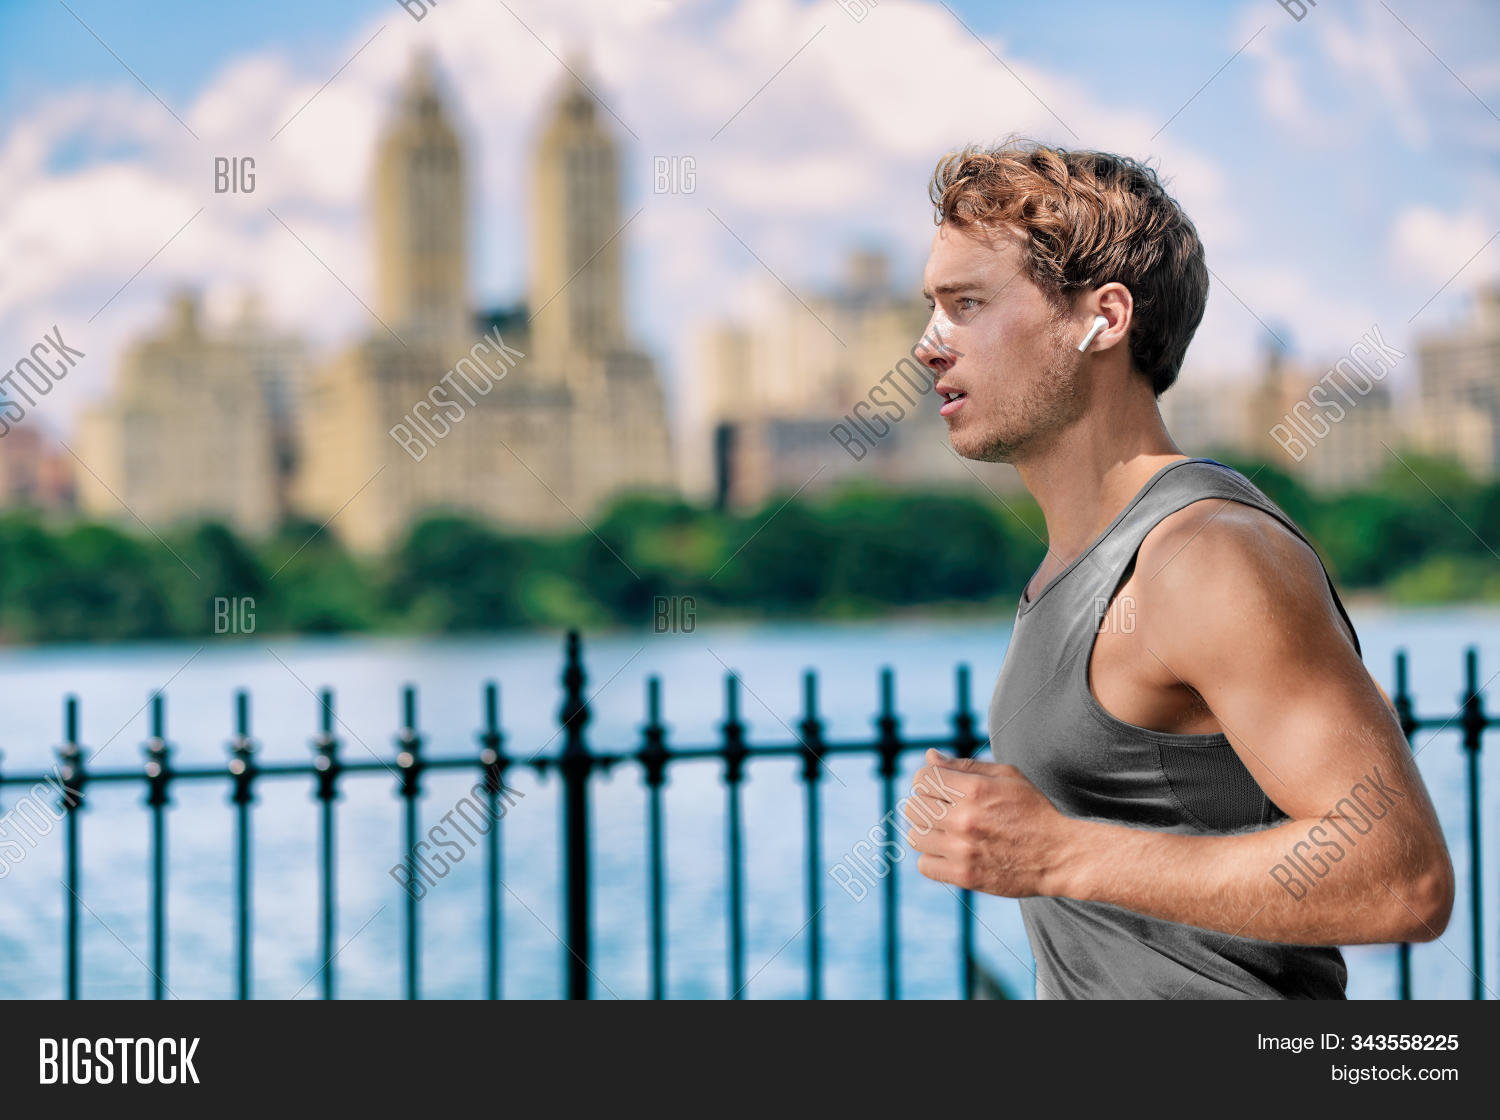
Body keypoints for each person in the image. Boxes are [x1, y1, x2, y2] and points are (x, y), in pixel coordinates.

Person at [904, 140, 1453, 999]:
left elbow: (1402, 878)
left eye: (967, 303)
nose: (929, 346)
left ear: (1104, 319)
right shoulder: (1069, 564)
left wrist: (1058, 852)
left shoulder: (1205, 555)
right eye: (933, 307)